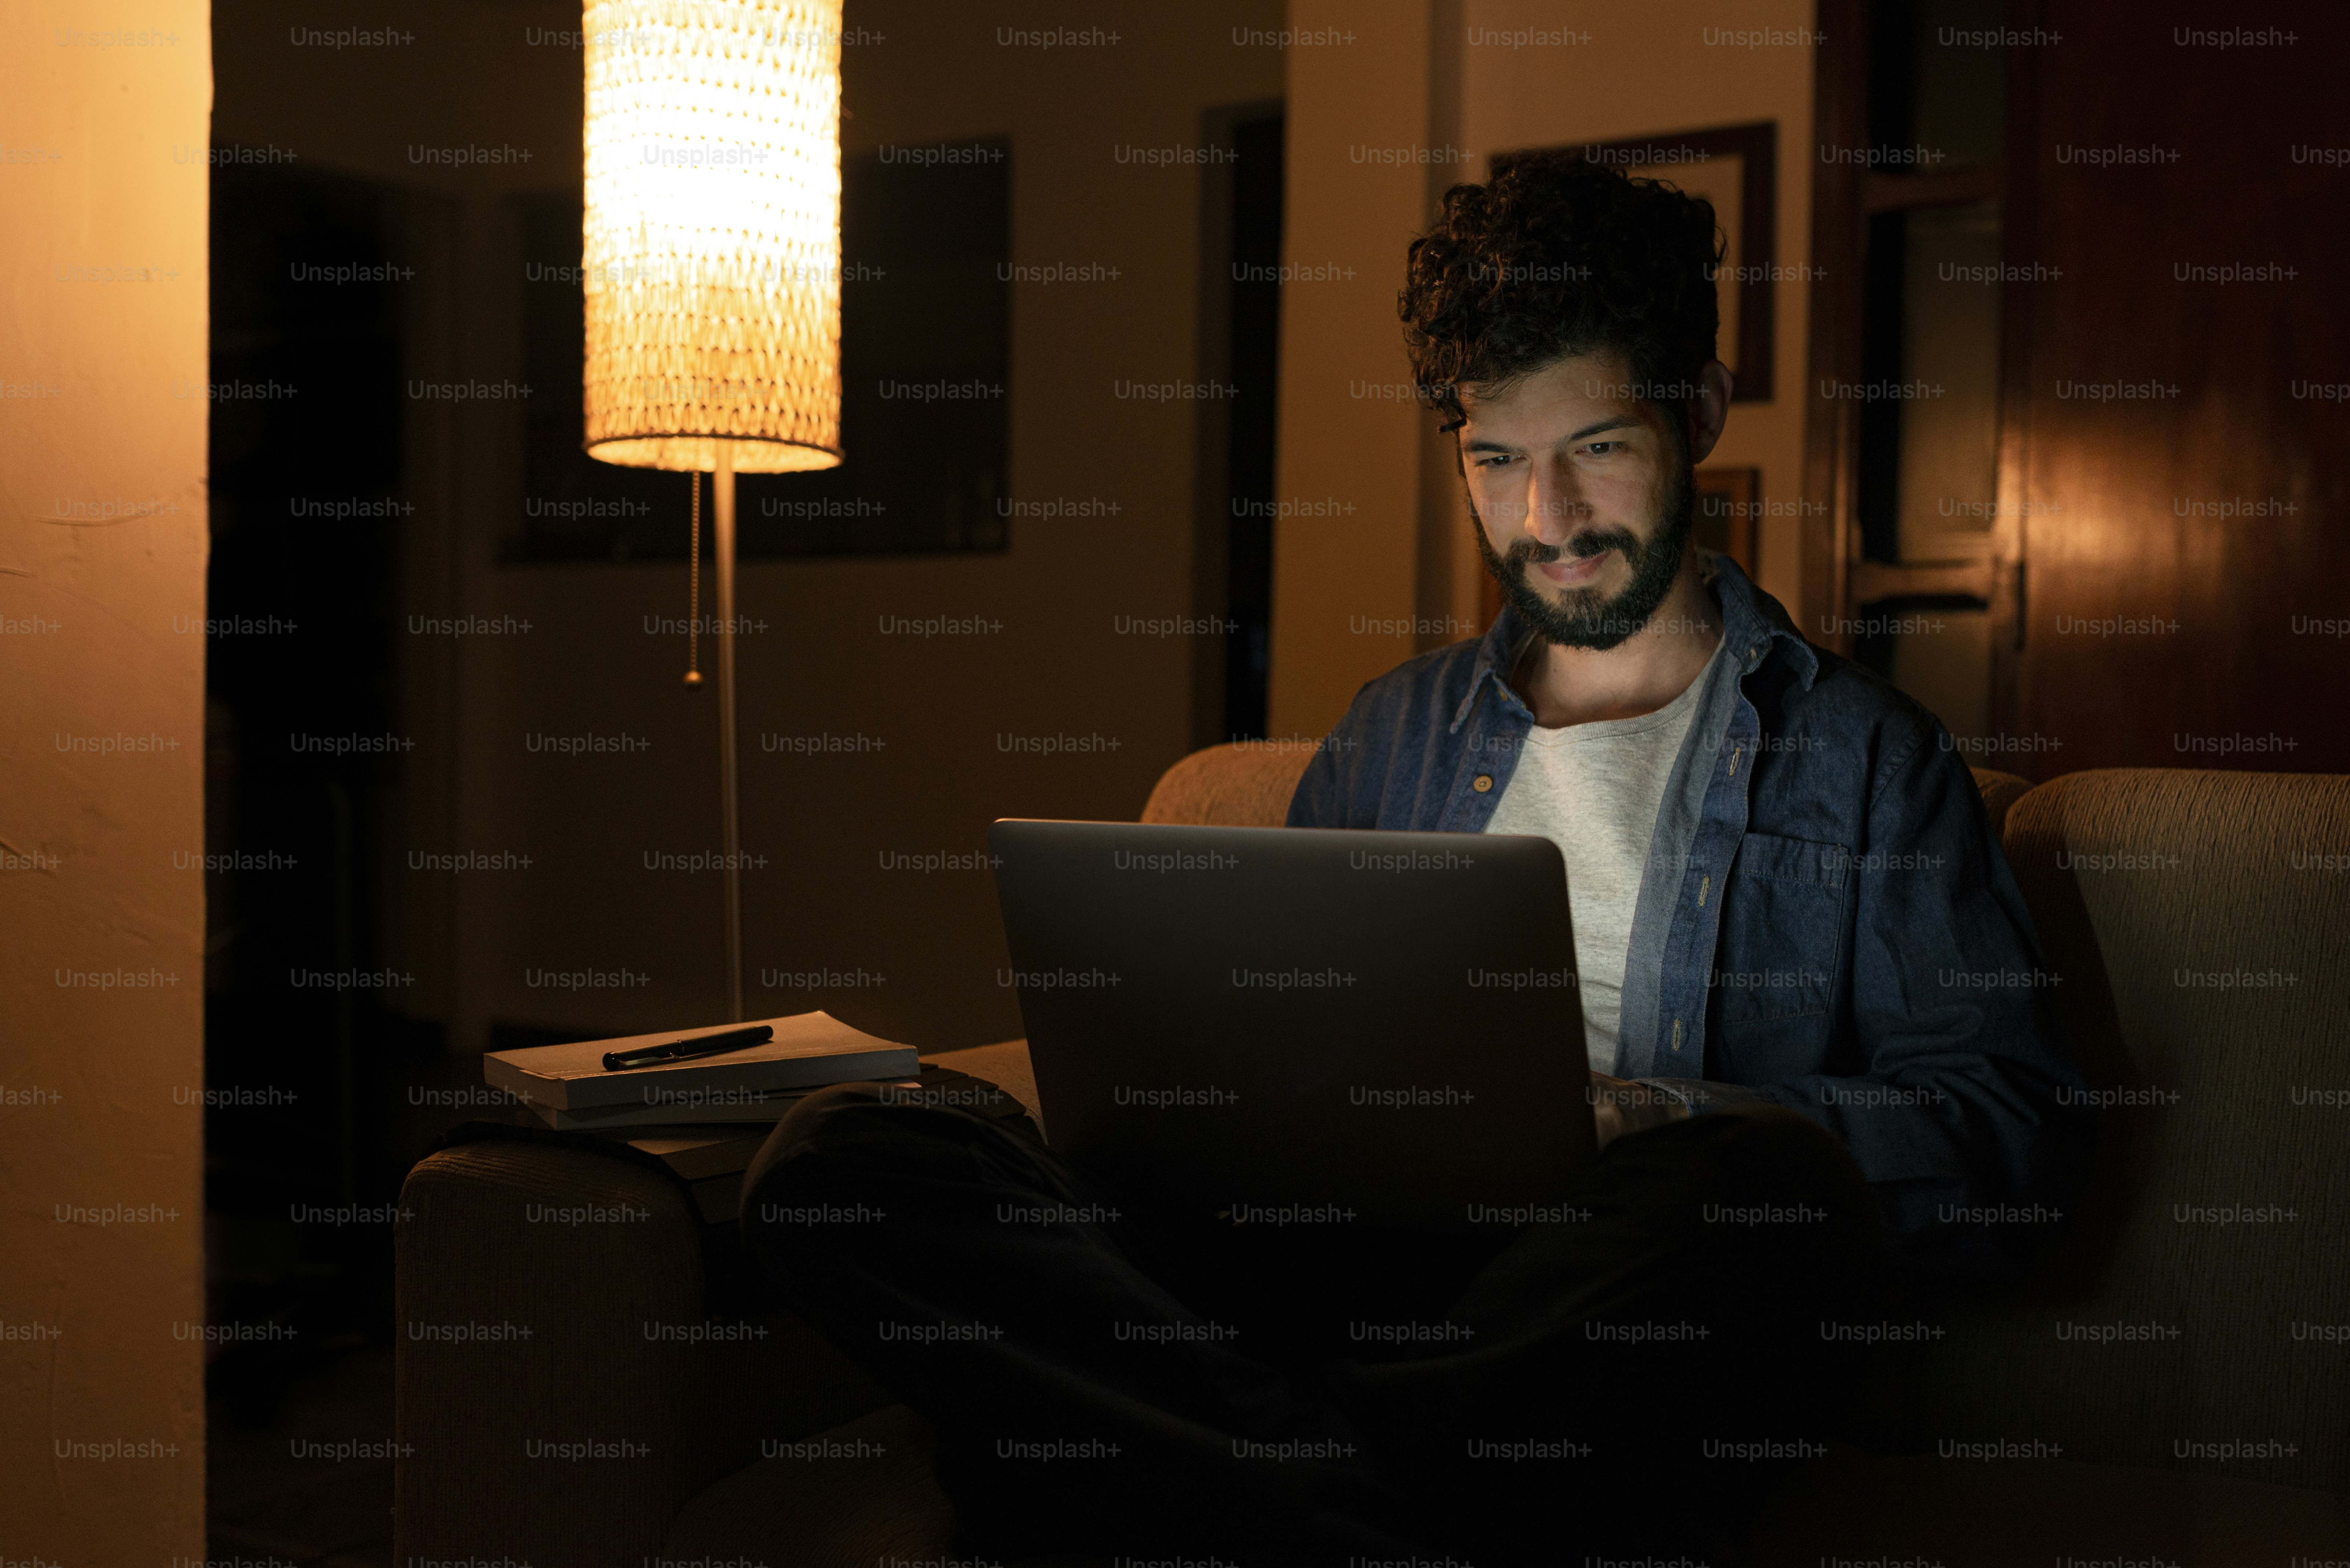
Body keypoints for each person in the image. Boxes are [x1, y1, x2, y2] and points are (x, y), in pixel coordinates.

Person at [745, 151, 2095, 1567]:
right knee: (844, 1154)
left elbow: (2012, 1142)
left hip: (1588, 1298)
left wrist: (1640, 1116)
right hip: (1321, 1268)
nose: (1547, 523)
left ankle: (1200, 1480)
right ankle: (1344, 1502)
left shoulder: (1867, 758)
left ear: (1694, 412)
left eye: (1597, 448)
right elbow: (1270, 1040)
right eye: (1495, 461)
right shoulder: (1393, 732)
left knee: (1752, 1180)